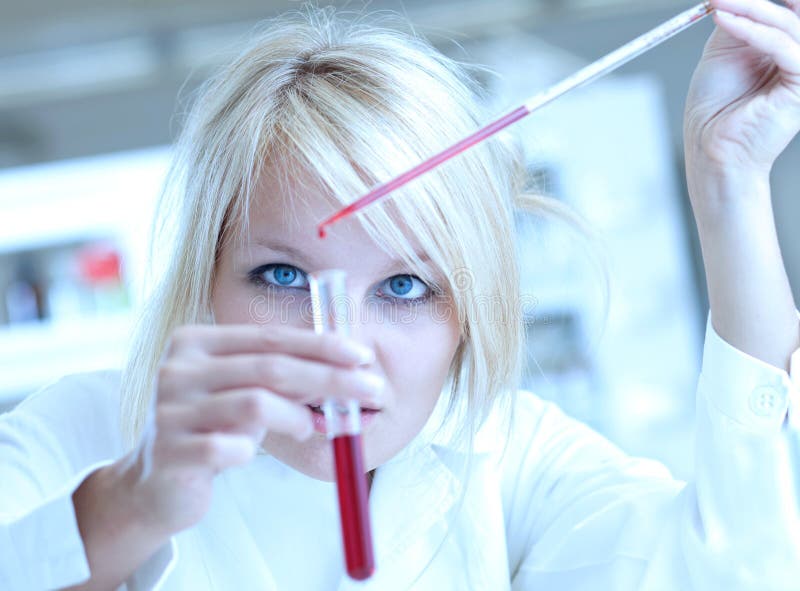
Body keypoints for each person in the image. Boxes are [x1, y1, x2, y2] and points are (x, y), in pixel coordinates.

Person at [2, 0, 799, 589]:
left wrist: (730, 183)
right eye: (283, 277)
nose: (340, 344)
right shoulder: (79, 428)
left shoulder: (511, 463)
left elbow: (735, 569)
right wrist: (129, 505)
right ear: (205, 276)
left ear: (470, 312)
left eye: (405, 286)